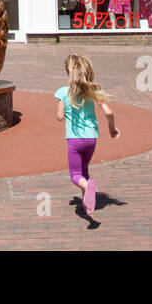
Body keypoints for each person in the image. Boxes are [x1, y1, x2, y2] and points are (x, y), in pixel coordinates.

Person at [55, 54, 118, 213]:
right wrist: (112, 128)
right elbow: (109, 112)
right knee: (84, 168)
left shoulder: (63, 92)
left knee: (75, 174)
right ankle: (87, 202)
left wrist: (62, 110)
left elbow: (59, 117)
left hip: (74, 139)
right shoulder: (94, 91)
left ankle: (88, 187)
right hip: (91, 138)